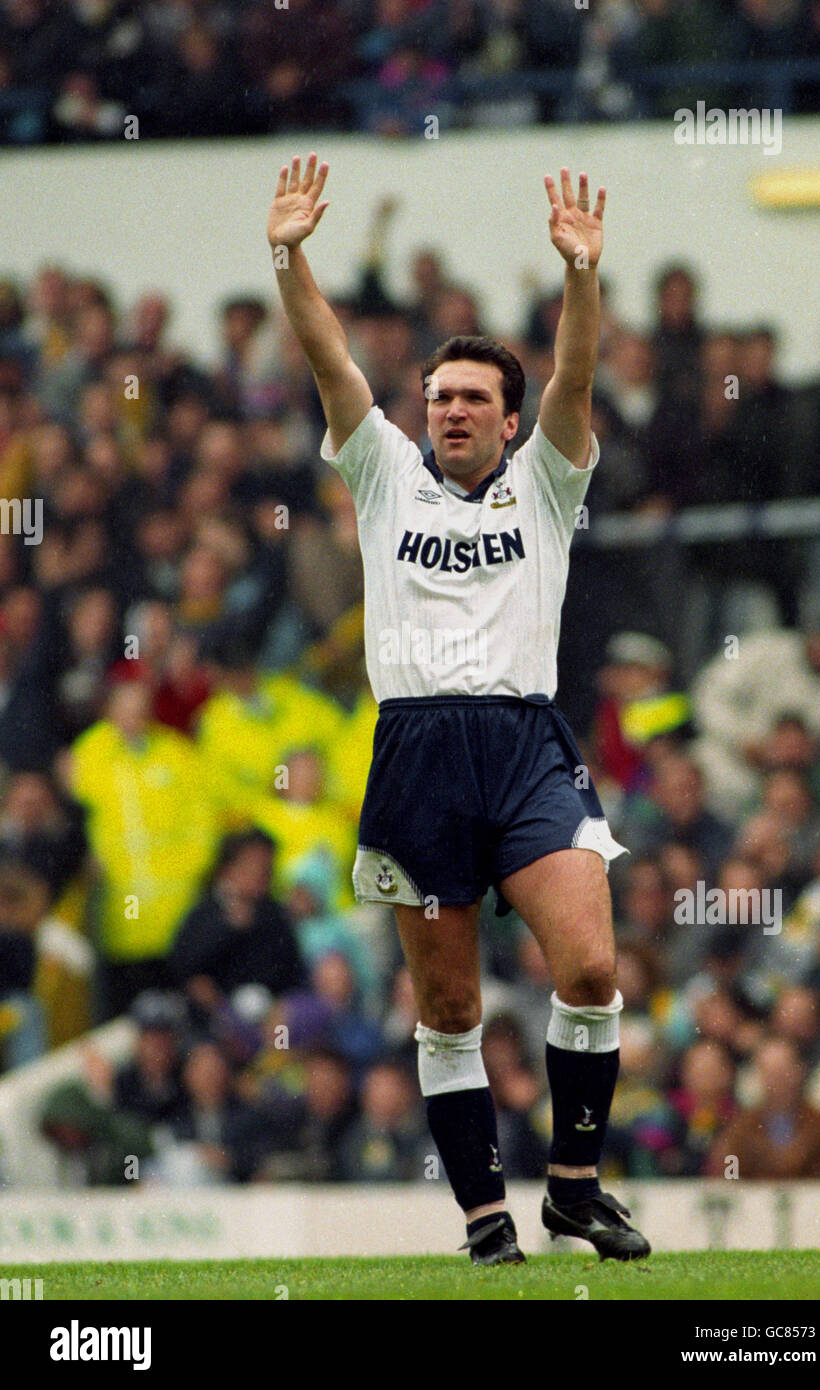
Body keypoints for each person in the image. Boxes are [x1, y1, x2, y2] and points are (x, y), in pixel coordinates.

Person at [266, 153, 650, 1264]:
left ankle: (572, 1185)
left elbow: (574, 377)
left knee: (586, 970)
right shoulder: (382, 472)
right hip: (418, 747)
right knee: (446, 1009)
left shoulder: (547, 480)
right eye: (437, 397)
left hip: (526, 740)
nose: (449, 411)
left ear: (509, 416)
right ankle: (485, 1219)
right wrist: (288, 253)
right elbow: (329, 356)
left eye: (472, 398)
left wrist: (581, 278)